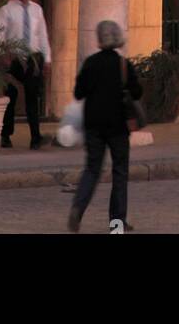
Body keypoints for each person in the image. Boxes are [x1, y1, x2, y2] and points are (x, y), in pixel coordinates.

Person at [68, 20, 143, 234]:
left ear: (100, 39)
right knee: (120, 172)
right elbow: (137, 92)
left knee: (92, 169)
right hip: (118, 126)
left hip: (94, 125)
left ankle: (78, 208)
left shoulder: (91, 63)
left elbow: (78, 93)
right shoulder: (123, 65)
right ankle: (117, 222)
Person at [0, 0, 52, 149]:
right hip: (14, 58)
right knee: (10, 96)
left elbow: (42, 35)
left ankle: (35, 137)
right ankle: (6, 135)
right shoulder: (6, 10)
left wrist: (47, 59)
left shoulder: (37, 10)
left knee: (32, 97)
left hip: (33, 59)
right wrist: (1, 55)